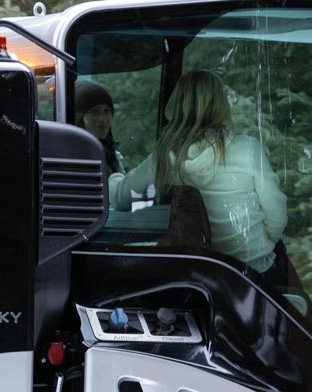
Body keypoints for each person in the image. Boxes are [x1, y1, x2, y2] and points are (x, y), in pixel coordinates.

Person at [109, 70, 289, 281]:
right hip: (252, 272)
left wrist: (114, 177)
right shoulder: (247, 149)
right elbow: (277, 215)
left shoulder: (165, 155)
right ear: (221, 104)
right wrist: (263, 242)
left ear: (176, 104)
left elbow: (120, 199)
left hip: (197, 273)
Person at [72, 79, 123, 172]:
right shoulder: (75, 156)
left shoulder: (113, 156)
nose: (102, 119)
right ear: (79, 118)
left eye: (107, 111)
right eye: (94, 111)